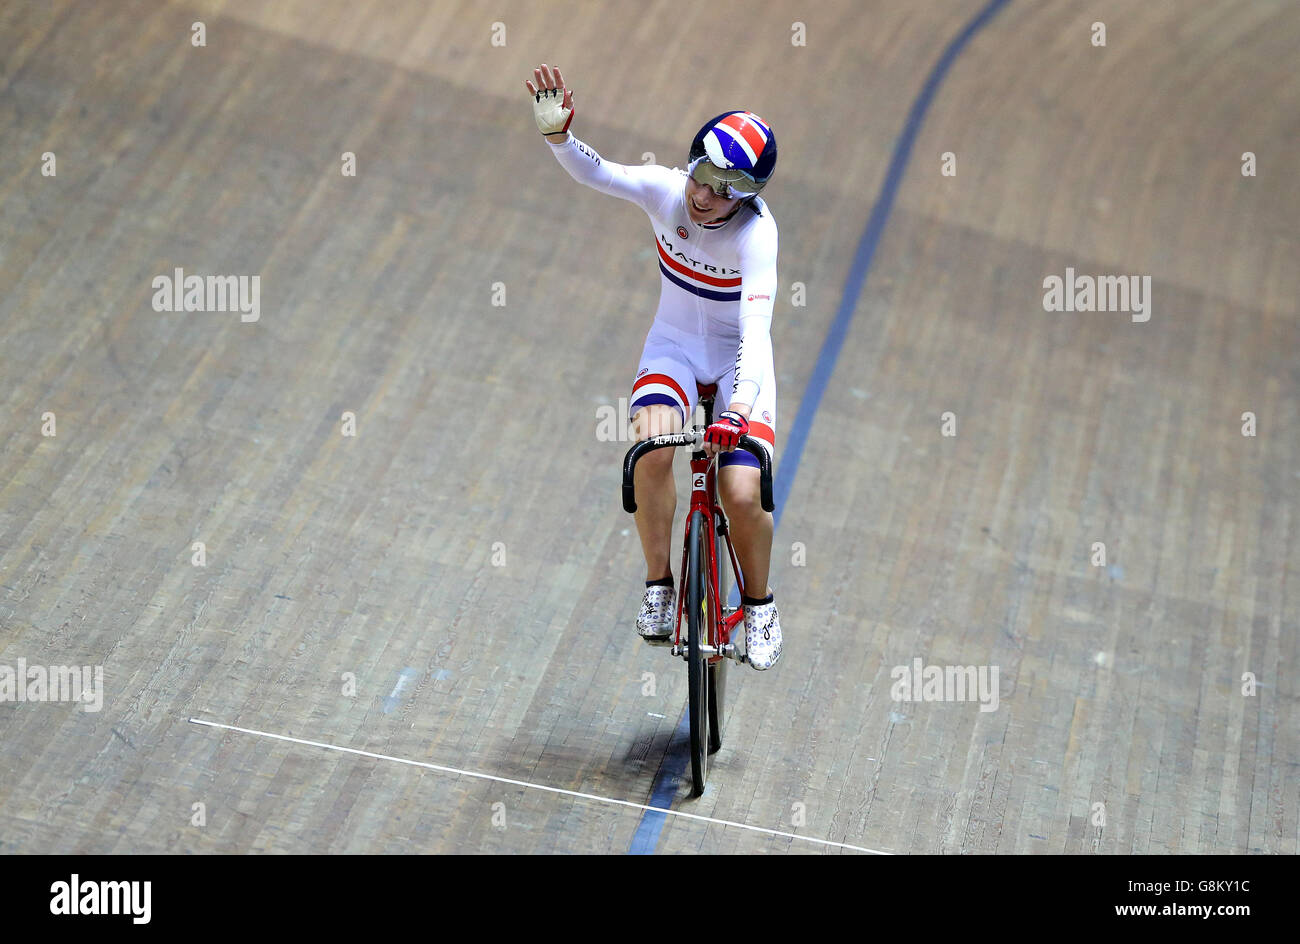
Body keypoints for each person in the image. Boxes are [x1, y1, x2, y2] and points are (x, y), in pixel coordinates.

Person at [524, 64, 782, 670]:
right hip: (674, 347)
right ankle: (659, 584)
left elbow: (755, 331)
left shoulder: (755, 238)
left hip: (739, 363)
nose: (703, 196)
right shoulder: (666, 190)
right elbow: (600, 173)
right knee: (652, 448)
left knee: (741, 491)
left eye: (724, 190)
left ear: (747, 197)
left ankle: (760, 602)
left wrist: (738, 409)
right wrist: (558, 136)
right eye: (701, 177)